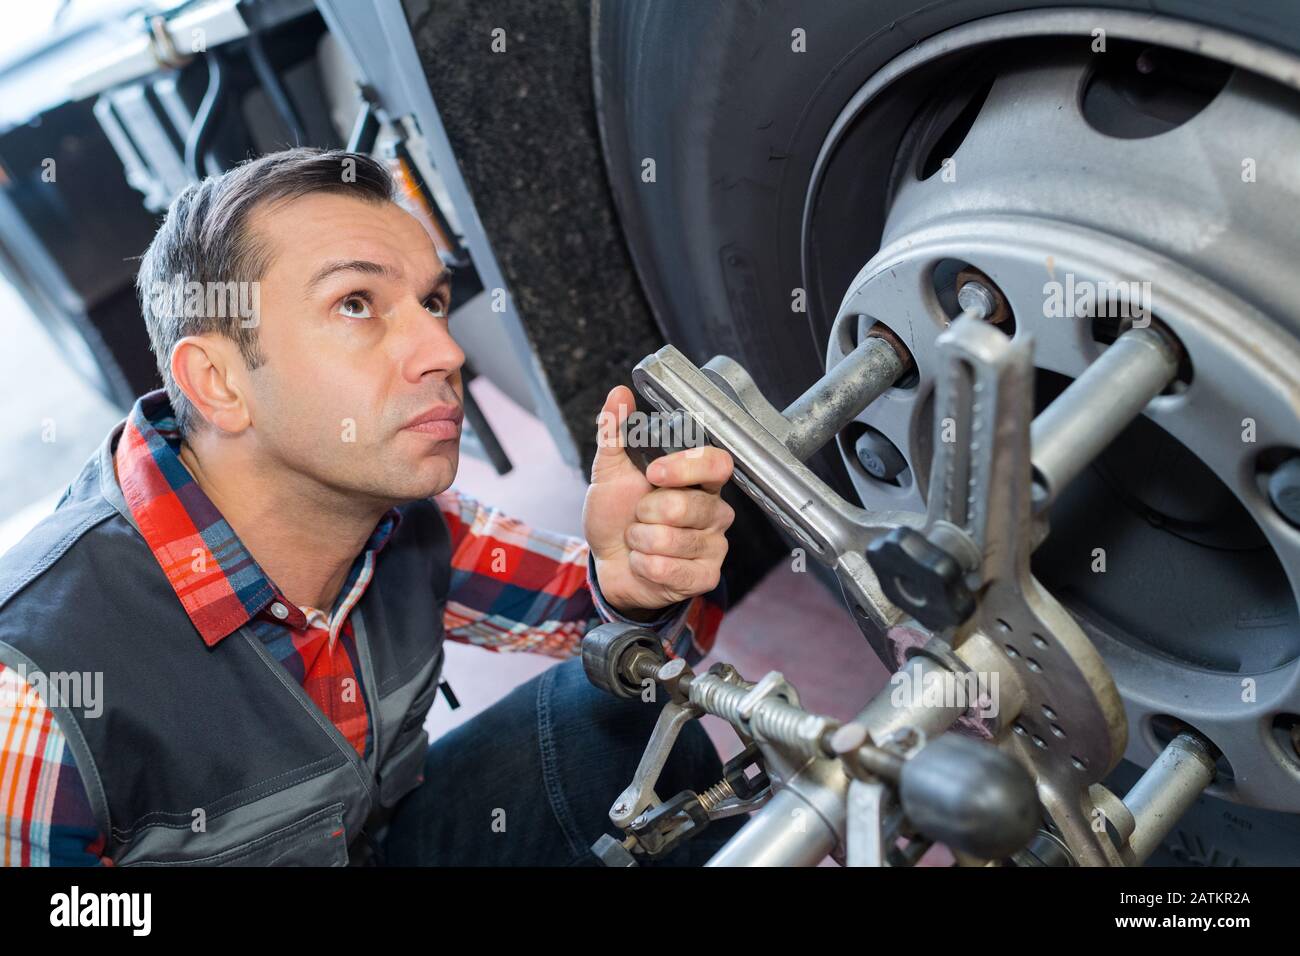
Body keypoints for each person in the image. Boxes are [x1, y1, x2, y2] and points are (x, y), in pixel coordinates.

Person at [0, 148, 741, 866]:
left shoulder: (404, 520)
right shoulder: (34, 687)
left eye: (433, 303)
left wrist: (633, 588)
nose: (445, 352)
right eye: (356, 303)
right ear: (218, 383)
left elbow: (640, 658)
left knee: (623, 717)